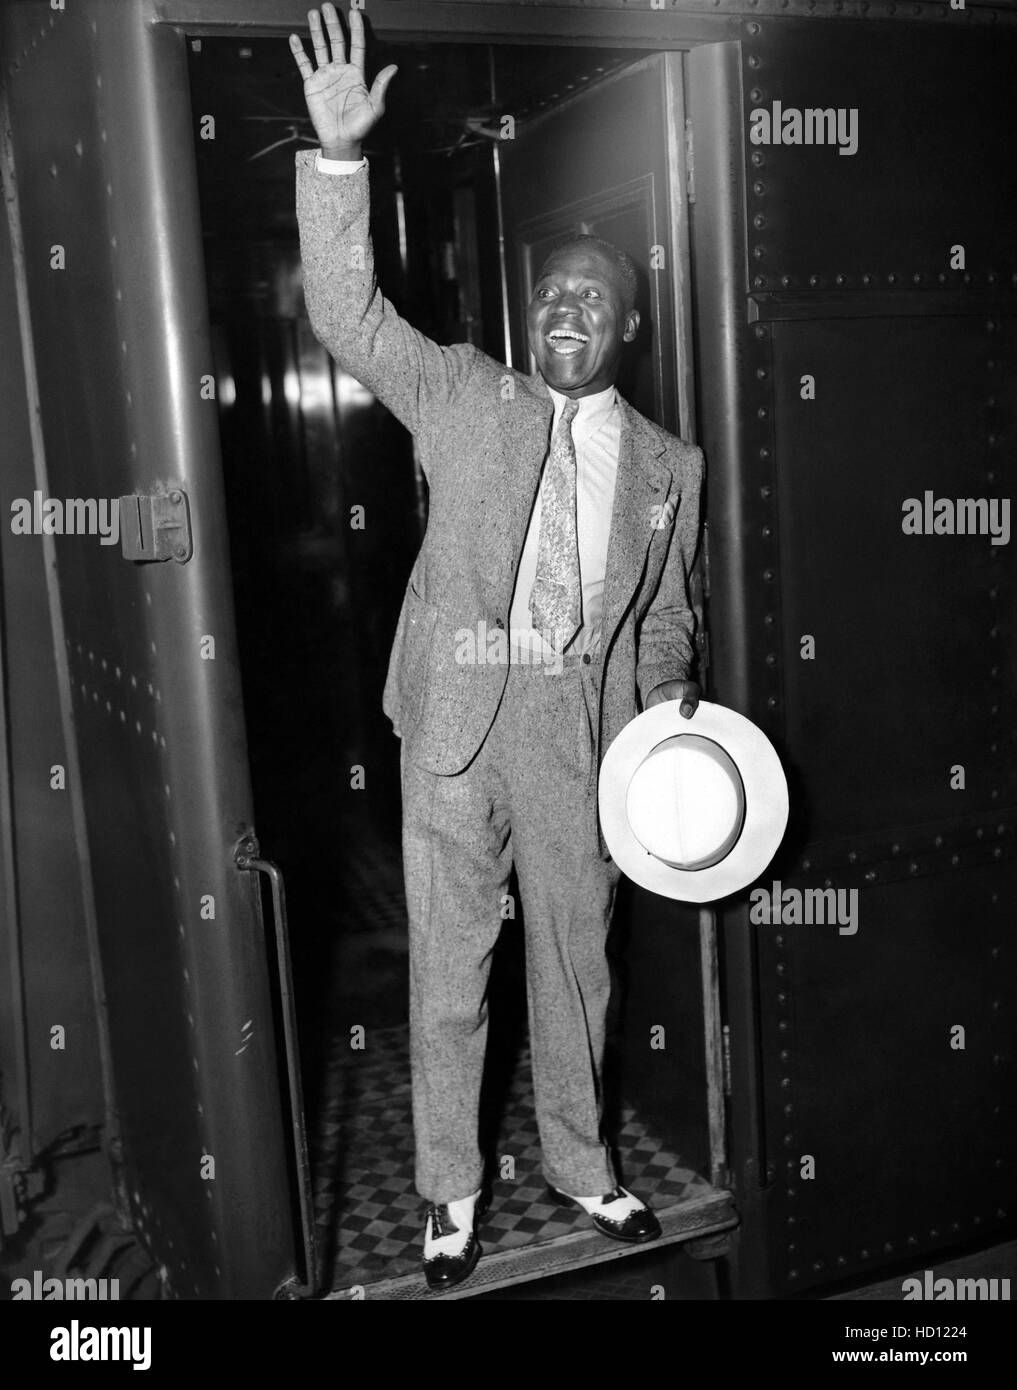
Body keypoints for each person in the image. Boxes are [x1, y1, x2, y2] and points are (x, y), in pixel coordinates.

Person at [290, 3, 704, 1292]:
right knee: (452, 966)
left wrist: (666, 722)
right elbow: (350, 315)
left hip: (581, 733)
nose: (570, 307)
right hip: (459, 715)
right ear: (531, 323)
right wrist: (340, 161)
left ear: (624, 327)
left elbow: (666, 616)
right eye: (554, 294)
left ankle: (585, 1172)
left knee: (581, 962)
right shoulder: (467, 391)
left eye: (595, 296)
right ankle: (452, 1197)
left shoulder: (667, 468)